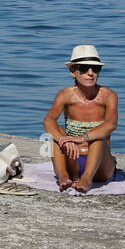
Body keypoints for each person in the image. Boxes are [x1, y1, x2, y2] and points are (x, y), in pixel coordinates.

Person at [43, 45, 118, 192]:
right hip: (72, 159)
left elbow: (111, 124)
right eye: (84, 68)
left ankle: (86, 179)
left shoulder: (108, 95)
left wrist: (82, 138)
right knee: (52, 135)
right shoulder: (65, 94)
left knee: (97, 138)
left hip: (100, 166)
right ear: (73, 71)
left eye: (95, 69)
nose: (90, 73)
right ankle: (63, 176)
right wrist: (62, 139)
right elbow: (48, 120)